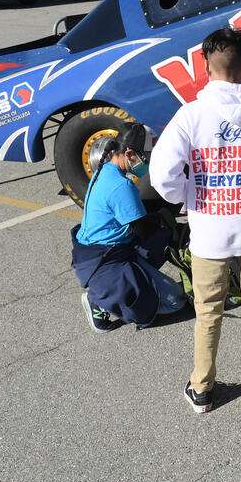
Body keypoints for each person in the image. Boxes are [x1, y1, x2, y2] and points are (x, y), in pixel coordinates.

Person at [149, 28, 241, 413]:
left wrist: (190, 197)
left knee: (207, 311)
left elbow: (162, 175)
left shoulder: (191, 116)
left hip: (209, 233)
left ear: (204, 66)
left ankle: (203, 388)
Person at [70, 124, 189, 332]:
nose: (147, 163)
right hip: (106, 261)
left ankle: (141, 279)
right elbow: (142, 230)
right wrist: (163, 217)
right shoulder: (121, 186)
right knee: (175, 302)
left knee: (164, 234)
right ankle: (98, 300)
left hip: (106, 249)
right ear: (129, 154)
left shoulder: (104, 171)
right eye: (145, 157)